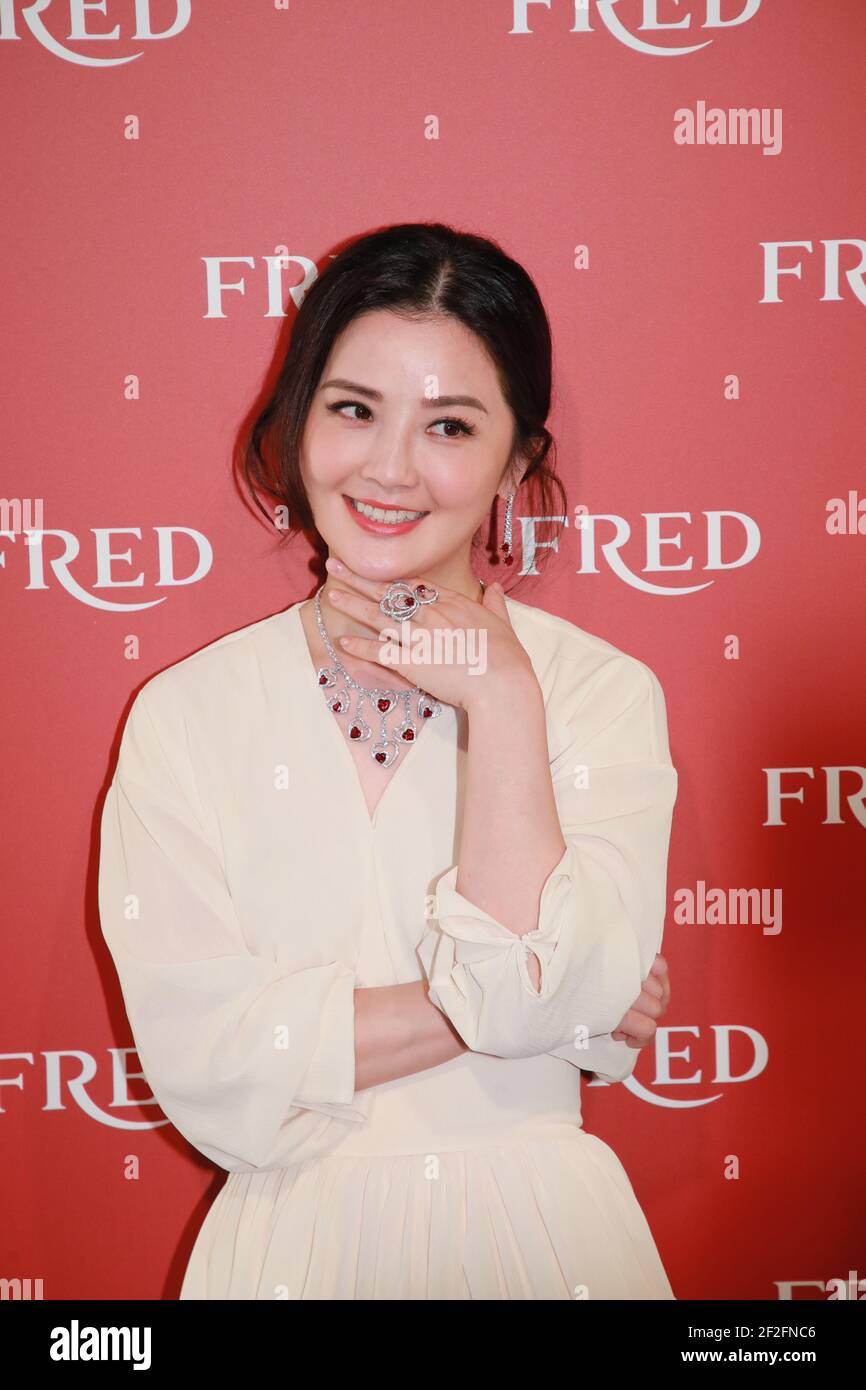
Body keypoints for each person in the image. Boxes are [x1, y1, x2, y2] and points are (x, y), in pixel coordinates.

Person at [98, 222, 678, 1300]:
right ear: (297, 419)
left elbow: (547, 1001)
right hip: (286, 1253)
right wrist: (538, 1005)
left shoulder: (595, 694)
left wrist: (502, 695)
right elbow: (204, 1065)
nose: (388, 468)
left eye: (448, 425)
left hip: (547, 1250)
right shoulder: (186, 714)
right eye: (353, 408)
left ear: (514, 460)